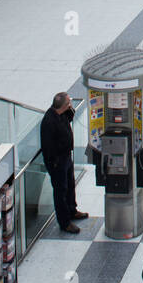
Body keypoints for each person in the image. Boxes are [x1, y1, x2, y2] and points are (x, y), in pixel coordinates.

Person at [40, 92, 87, 235]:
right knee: (60, 190)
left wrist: (70, 109)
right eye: (69, 103)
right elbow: (47, 146)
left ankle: (72, 210)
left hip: (66, 157)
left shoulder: (62, 114)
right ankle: (65, 222)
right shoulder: (49, 121)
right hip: (57, 162)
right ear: (64, 105)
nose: (71, 104)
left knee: (70, 185)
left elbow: (71, 117)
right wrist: (55, 163)